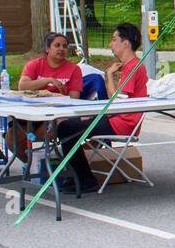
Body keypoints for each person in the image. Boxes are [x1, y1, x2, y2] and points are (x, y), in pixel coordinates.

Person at [55, 23, 147, 194]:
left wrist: (109, 75)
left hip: (123, 122)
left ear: (125, 43)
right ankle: (77, 175)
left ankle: (85, 179)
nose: (111, 44)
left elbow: (118, 101)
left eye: (114, 40)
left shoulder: (133, 66)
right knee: (71, 125)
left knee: (66, 129)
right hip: (117, 118)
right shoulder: (131, 65)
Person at [8, 32, 83, 162]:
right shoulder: (35, 64)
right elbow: (22, 86)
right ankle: (29, 164)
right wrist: (48, 80)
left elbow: (74, 98)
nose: (61, 49)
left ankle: (46, 162)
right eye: (57, 45)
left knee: (58, 125)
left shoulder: (74, 69)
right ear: (48, 49)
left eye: (65, 46)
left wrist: (61, 95)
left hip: (55, 113)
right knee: (11, 138)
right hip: (30, 111)